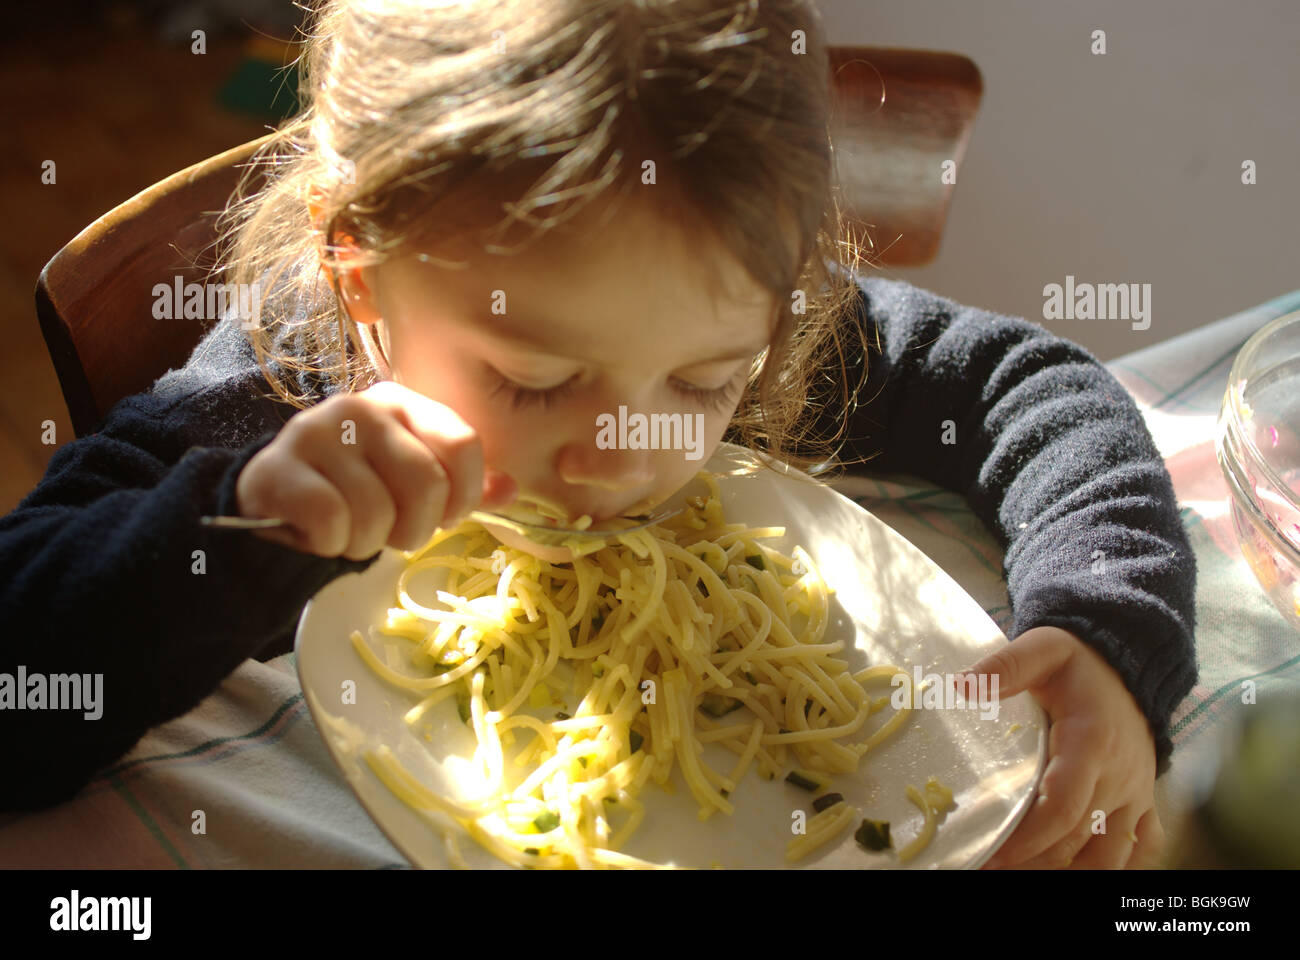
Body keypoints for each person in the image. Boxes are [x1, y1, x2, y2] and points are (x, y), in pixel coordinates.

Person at [0, 0, 1195, 869]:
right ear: (358, 275)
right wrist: (248, 525)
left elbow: (1032, 382)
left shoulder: (747, 314)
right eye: (533, 378)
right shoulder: (275, 394)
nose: (628, 451)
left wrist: (1105, 628)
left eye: (707, 379)